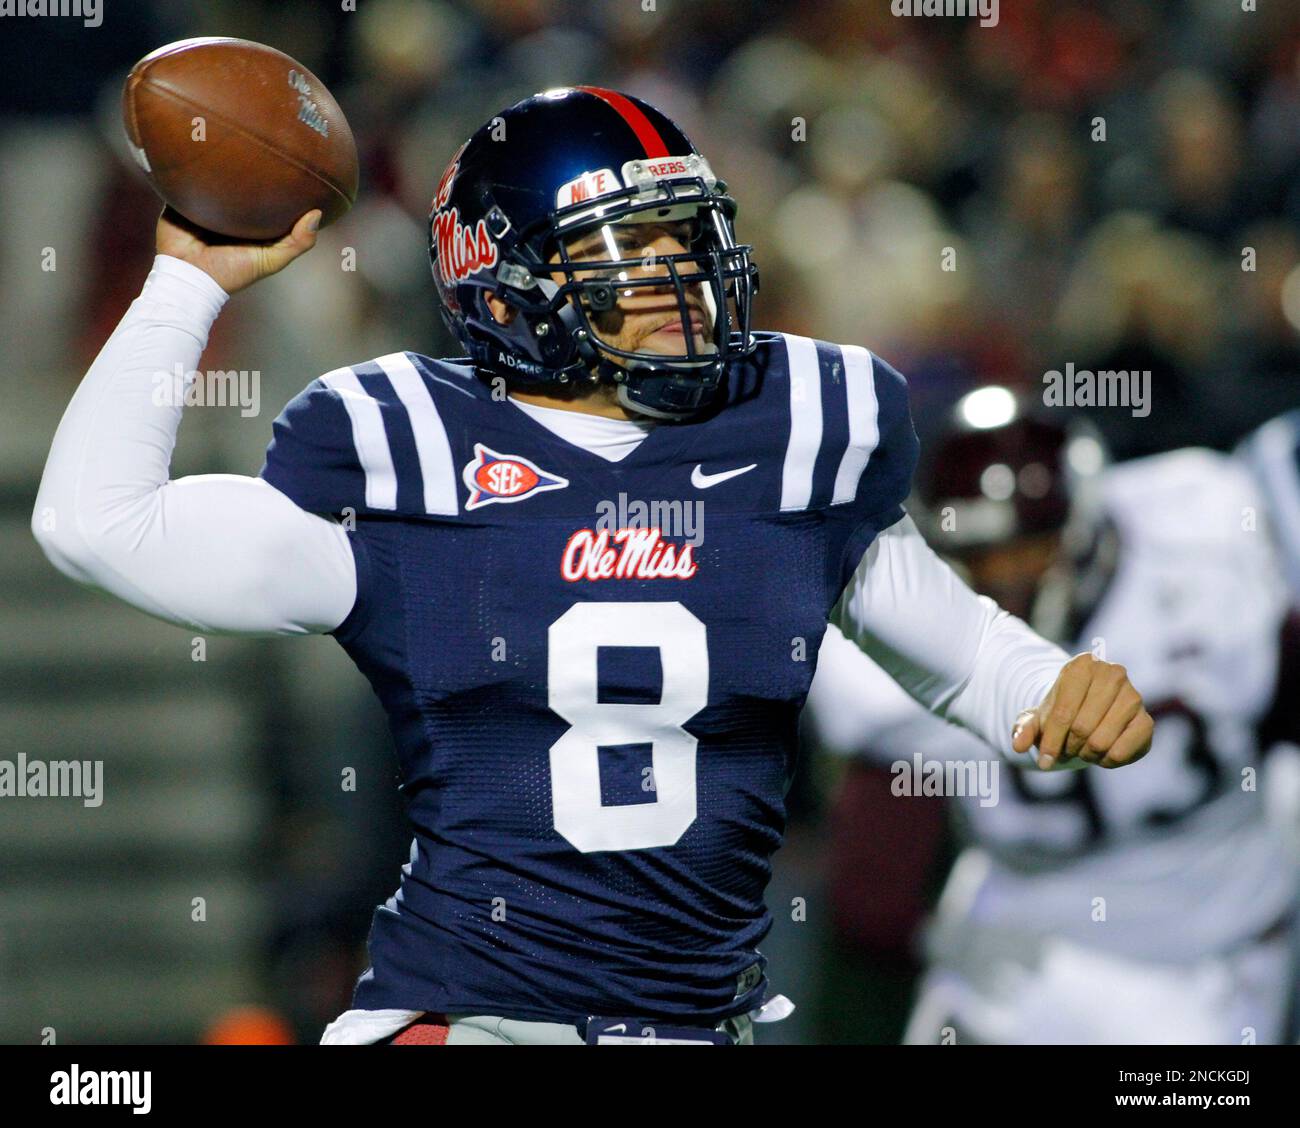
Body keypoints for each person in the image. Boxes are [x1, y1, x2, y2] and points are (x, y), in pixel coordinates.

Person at [32, 88, 1152, 1046]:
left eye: (686, 238)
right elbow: (95, 523)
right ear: (505, 281)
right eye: (629, 251)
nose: (679, 277)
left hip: (691, 1021)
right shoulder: (410, 452)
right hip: (473, 1012)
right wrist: (186, 282)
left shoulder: (793, 428)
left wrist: (1051, 687)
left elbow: (956, 658)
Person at [806, 389, 1297, 1044]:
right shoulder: (890, 649)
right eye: (984, 559)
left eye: (1028, 551)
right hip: (1035, 951)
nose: (1007, 580)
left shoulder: (1205, 533)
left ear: (1087, 521)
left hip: (1228, 933)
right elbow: (871, 895)